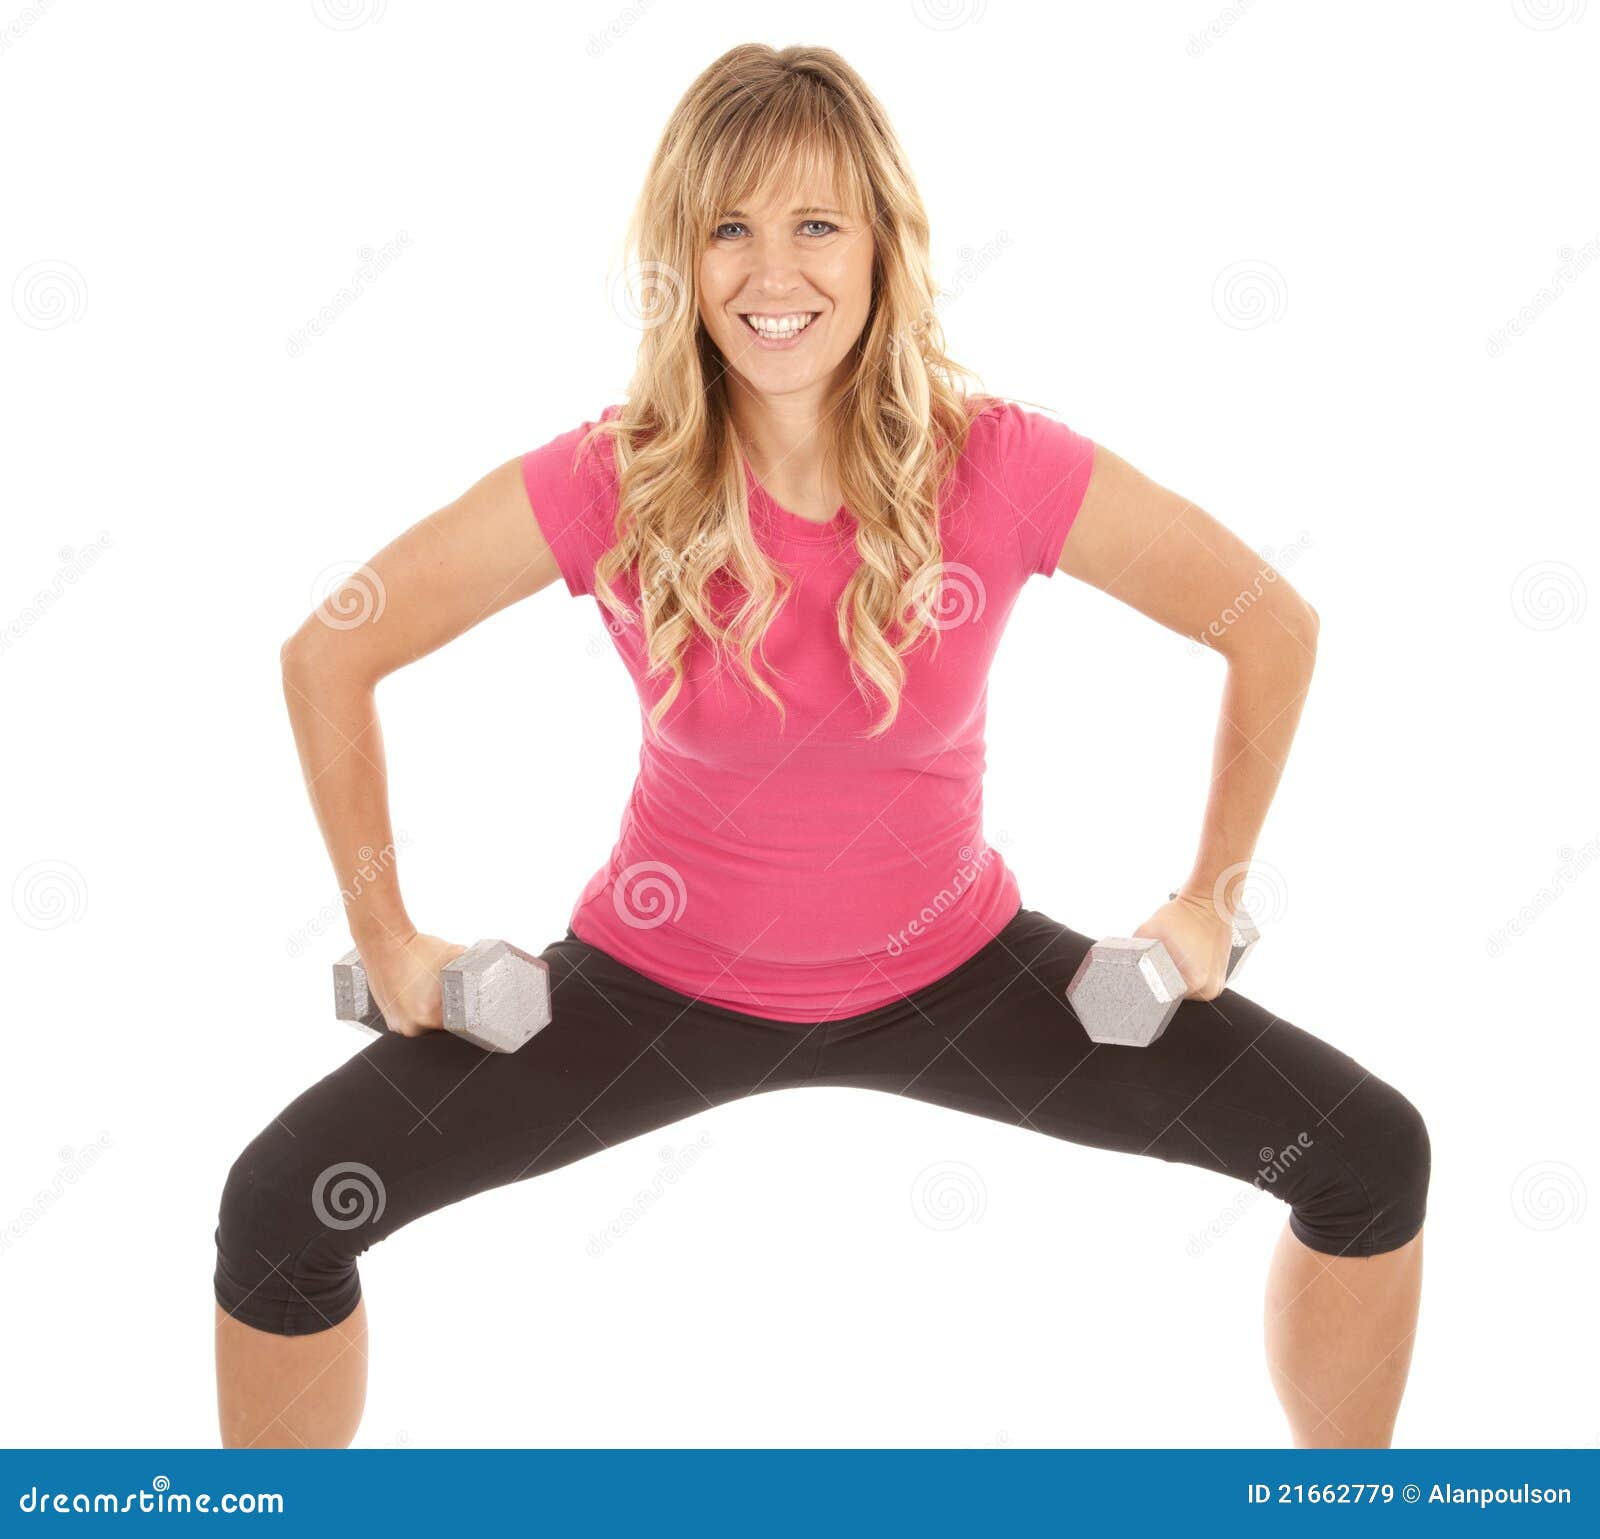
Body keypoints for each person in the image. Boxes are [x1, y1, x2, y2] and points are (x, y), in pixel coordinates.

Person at [213, 42, 1428, 1450]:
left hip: (957, 969)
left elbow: (1268, 624)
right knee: (282, 1208)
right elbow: (330, 654)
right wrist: (388, 937)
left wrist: (1211, 899)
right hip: (655, 981)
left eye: (815, 224)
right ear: (682, 259)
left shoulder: (999, 465)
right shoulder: (614, 477)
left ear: (880, 247)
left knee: (1366, 1153)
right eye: (729, 227)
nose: (772, 272)